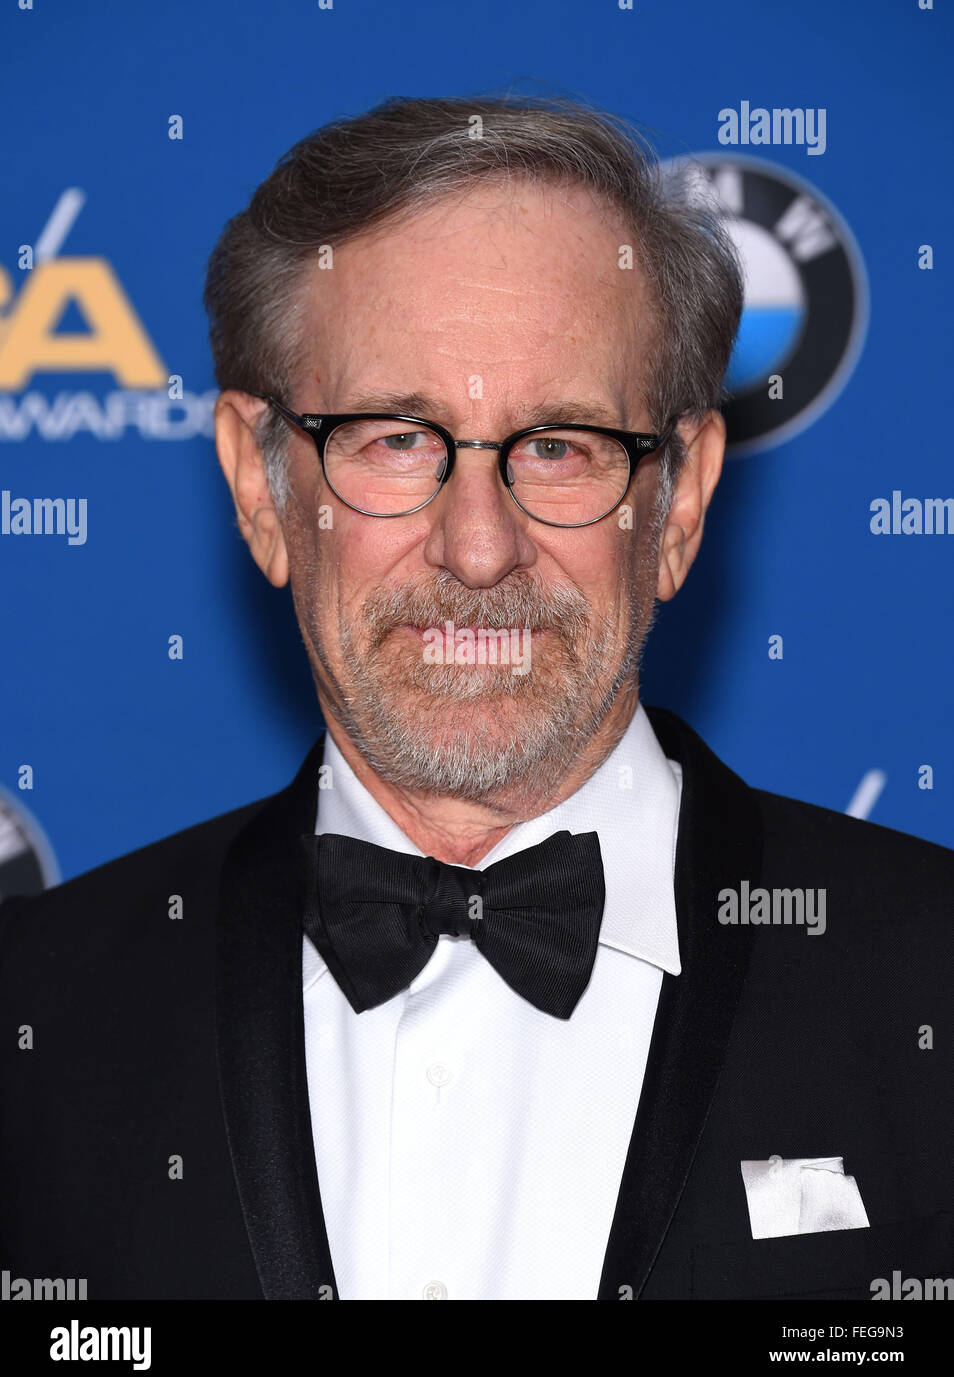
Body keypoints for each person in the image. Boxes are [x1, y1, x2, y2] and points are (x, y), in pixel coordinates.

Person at [1, 96, 951, 1302]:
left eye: (559, 444)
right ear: (259, 483)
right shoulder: (36, 1020)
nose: (481, 547)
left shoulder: (934, 989)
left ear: (681, 502)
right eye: (396, 438)